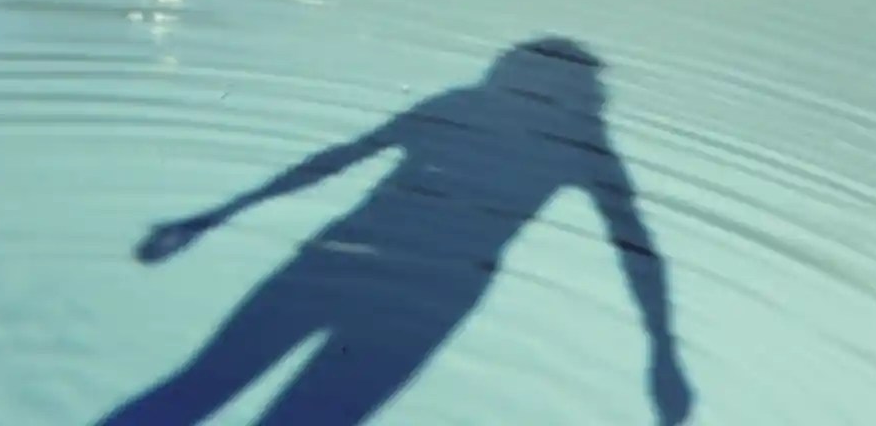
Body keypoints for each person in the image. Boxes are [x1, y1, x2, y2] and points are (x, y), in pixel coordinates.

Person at [101, 37, 692, 425]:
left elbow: (338, 158)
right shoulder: (577, 145)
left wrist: (214, 216)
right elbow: (639, 254)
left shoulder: (474, 108)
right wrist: (662, 352)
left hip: (338, 263)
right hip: (422, 293)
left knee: (200, 389)